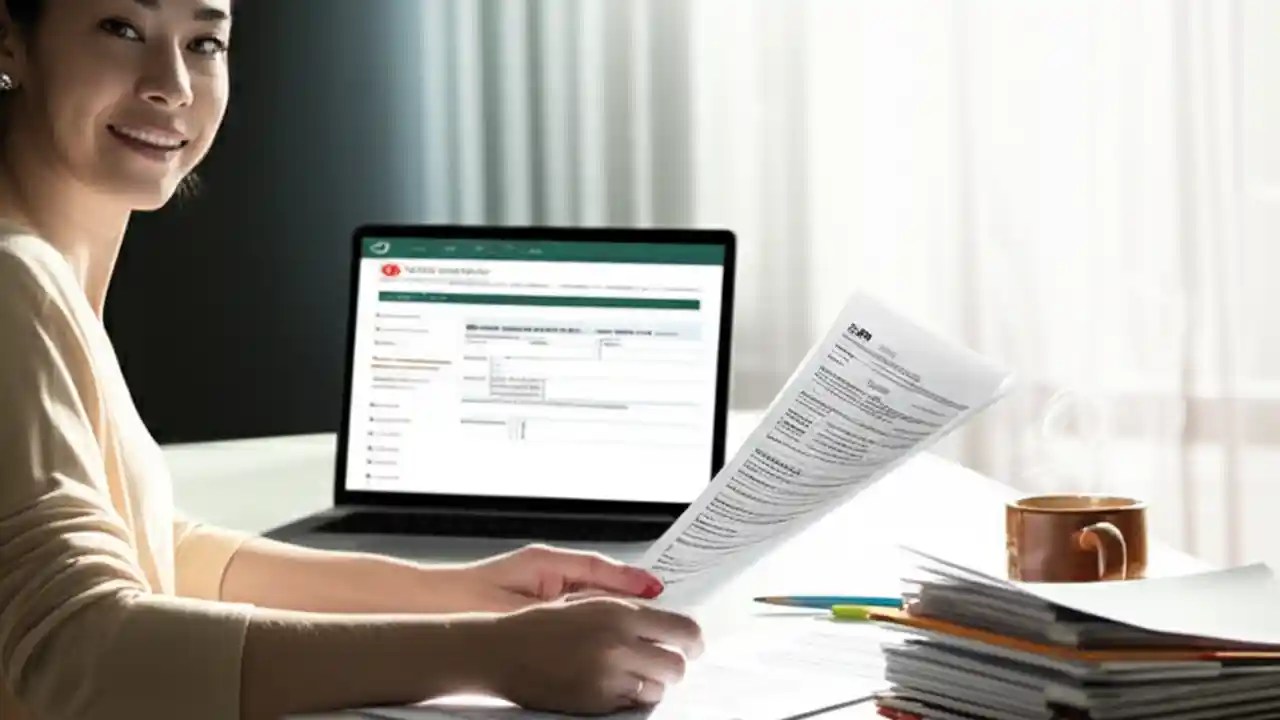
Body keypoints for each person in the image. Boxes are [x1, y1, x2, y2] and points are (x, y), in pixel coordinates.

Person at [0, 1, 703, 719]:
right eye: (122, 29)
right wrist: (492, 655)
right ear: (9, 40)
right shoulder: (14, 280)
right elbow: (73, 650)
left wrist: (461, 594)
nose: (172, 85)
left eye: (204, 42)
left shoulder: (44, 273)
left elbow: (155, 549)